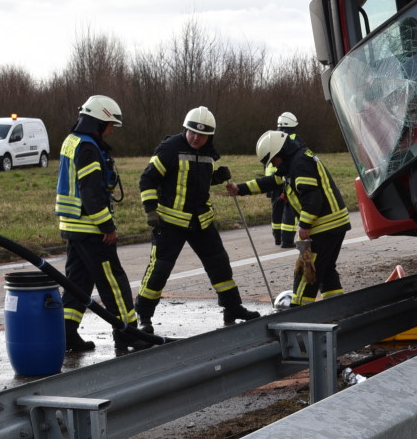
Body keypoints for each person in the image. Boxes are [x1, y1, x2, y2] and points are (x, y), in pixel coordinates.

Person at [135, 107, 260, 331]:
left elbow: (195, 181)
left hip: (201, 221)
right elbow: (147, 179)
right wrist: (150, 210)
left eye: (201, 135)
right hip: (170, 223)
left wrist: (216, 177)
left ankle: (233, 307)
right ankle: (143, 316)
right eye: (192, 132)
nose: (195, 137)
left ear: (209, 136)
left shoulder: (209, 153)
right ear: (185, 129)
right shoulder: (170, 148)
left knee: (220, 265)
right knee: (159, 270)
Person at [55, 94, 141, 354]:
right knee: (114, 281)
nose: (111, 130)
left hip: (72, 227)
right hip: (91, 228)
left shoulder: (73, 141)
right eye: (110, 125)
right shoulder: (89, 147)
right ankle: (128, 332)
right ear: (98, 122)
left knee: (77, 283)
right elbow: (91, 192)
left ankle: (67, 333)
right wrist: (107, 226)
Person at [229, 129, 350, 306]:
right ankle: (336, 307)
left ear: (281, 152)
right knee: (325, 271)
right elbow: (271, 181)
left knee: (307, 274)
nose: (275, 165)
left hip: (323, 226)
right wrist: (240, 189)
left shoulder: (299, 164)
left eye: (274, 160)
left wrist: (304, 224)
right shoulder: (294, 161)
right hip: (335, 224)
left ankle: (298, 313)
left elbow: (312, 197)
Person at [267, 111, 299, 248]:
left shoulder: (272, 139)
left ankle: (277, 238)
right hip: (286, 180)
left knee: (276, 209)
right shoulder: (294, 141)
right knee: (290, 209)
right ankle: (287, 240)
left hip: (271, 181)